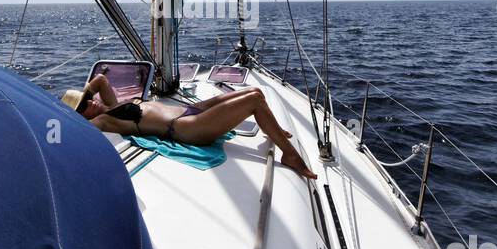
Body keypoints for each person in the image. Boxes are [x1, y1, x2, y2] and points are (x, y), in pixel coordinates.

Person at [62, 72, 317, 179]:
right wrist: (72, 114)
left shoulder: (108, 104)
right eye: (83, 105)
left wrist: (81, 95)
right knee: (252, 101)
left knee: (255, 91)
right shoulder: (102, 120)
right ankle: (290, 155)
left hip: (190, 110)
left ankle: (269, 126)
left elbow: (100, 79)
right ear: (82, 116)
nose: (89, 103)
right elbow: (75, 132)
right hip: (186, 127)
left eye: (86, 100)